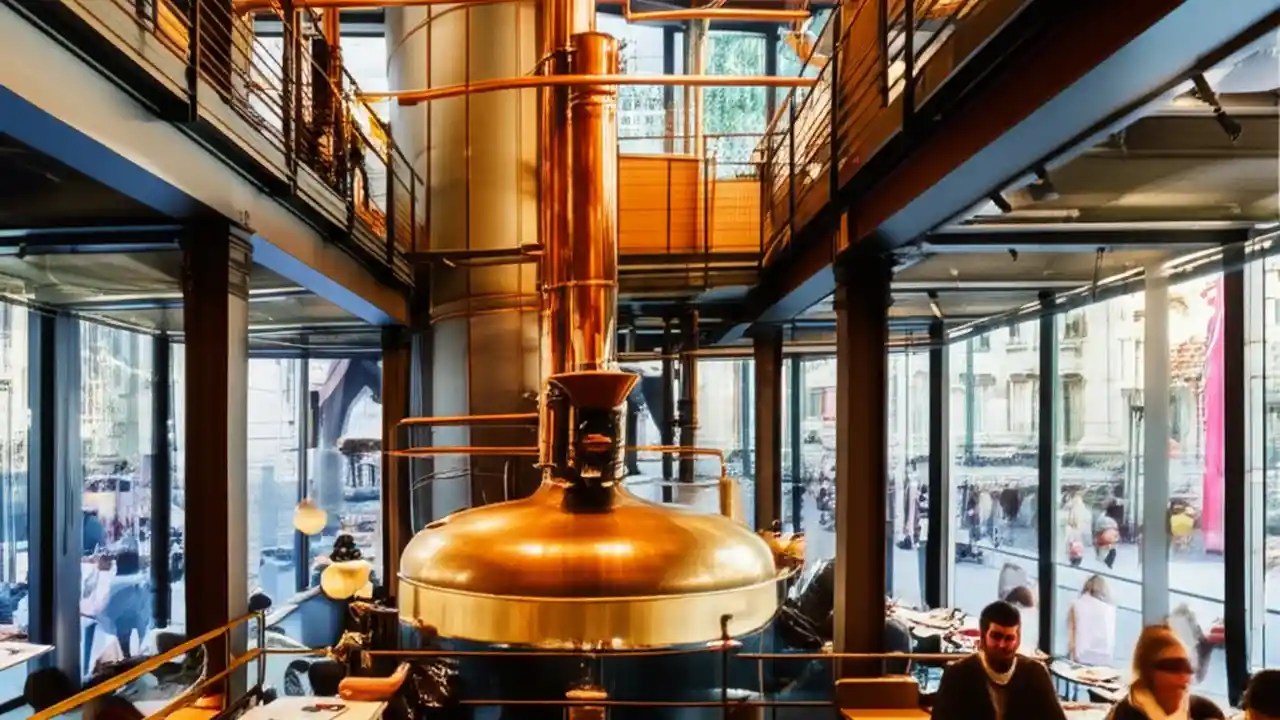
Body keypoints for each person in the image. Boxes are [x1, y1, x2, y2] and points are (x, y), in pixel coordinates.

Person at [930, 600, 1065, 720]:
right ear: (983, 637)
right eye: (996, 636)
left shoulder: (1035, 674)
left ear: (1018, 640)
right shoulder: (958, 675)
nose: (1002, 645)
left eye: (1009, 638)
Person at [1105, 625, 1223, 720]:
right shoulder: (1125, 715)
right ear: (1147, 672)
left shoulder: (1205, 711)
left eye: (1187, 667)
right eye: (1172, 667)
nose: (1184, 677)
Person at [1067, 575, 1116, 666]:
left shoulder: (1076, 604)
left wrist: (1071, 656)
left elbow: (1072, 635)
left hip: (1081, 657)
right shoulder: (1110, 609)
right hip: (1105, 659)